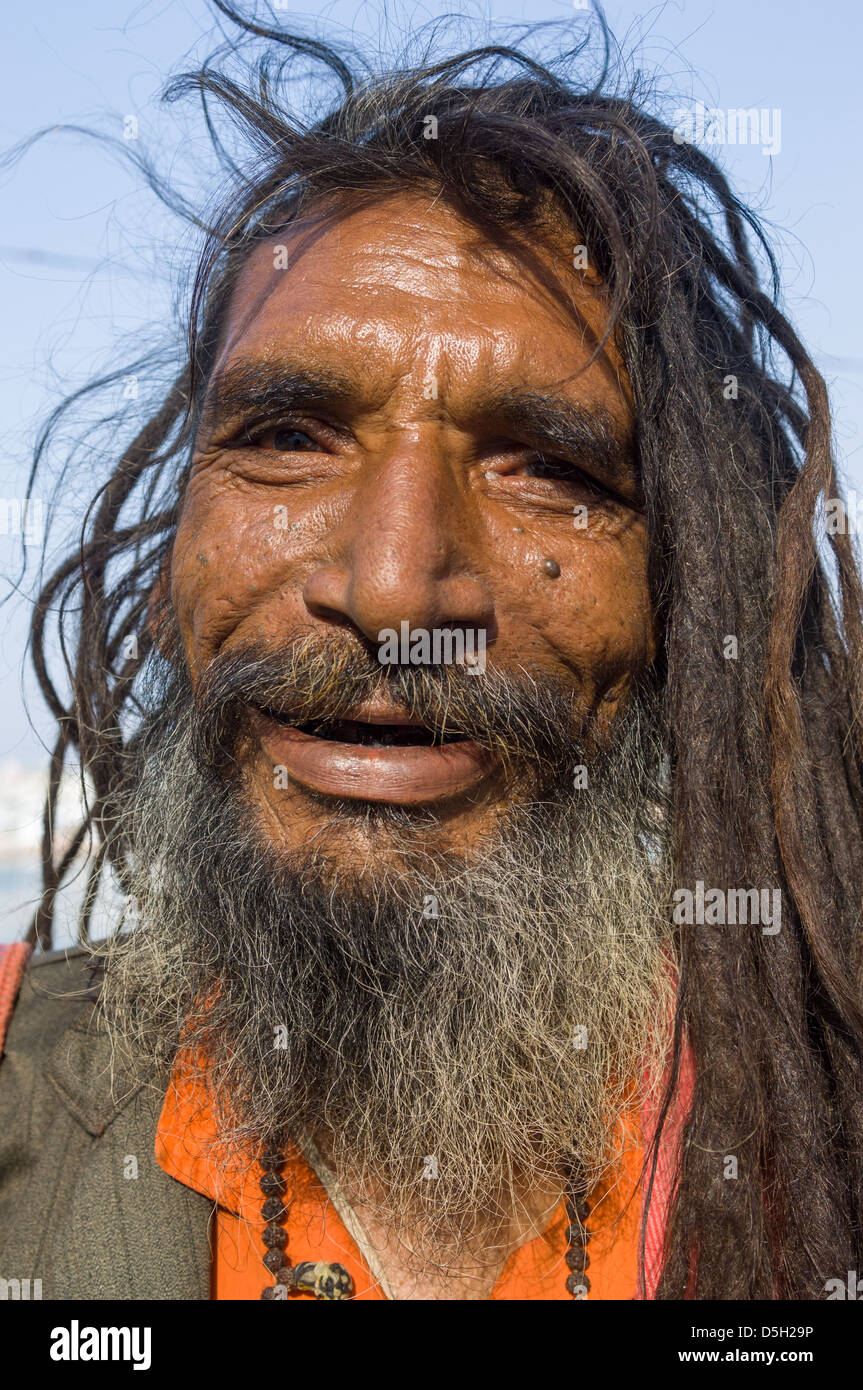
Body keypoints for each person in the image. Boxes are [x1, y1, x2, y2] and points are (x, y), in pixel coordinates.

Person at [1, 3, 862, 1301]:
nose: (394, 582)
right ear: (179, 533)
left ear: (686, 589)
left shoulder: (816, 1136)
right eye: (288, 436)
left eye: (548, 467)